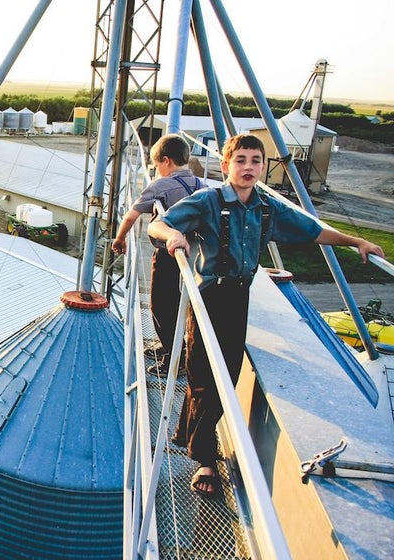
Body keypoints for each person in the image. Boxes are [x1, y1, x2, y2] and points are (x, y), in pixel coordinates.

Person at [147, 133, 385, 498]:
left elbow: (312, 230)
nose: (248, 167)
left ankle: (190, 438)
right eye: (240, 160)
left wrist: (356, 242)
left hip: (239, 297)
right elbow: (158, 224)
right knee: (203, 376)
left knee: (225, 373)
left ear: (262, 166)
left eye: (255, 160)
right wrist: (173, 235)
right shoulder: (208, 200)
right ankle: (205, 459)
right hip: (208, 297)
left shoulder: (266, 207)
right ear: (225, 166)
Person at [111, 134, 204, 375]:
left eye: (156, 165)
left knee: (161, 305)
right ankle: (169, 348)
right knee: (178, 304)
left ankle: (175, 359)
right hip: (193, 257)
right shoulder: (201, 186)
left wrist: (120, 239)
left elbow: (132, 214)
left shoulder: (162, 185)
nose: (156, 170)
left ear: (166, 161)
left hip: (167, 255)